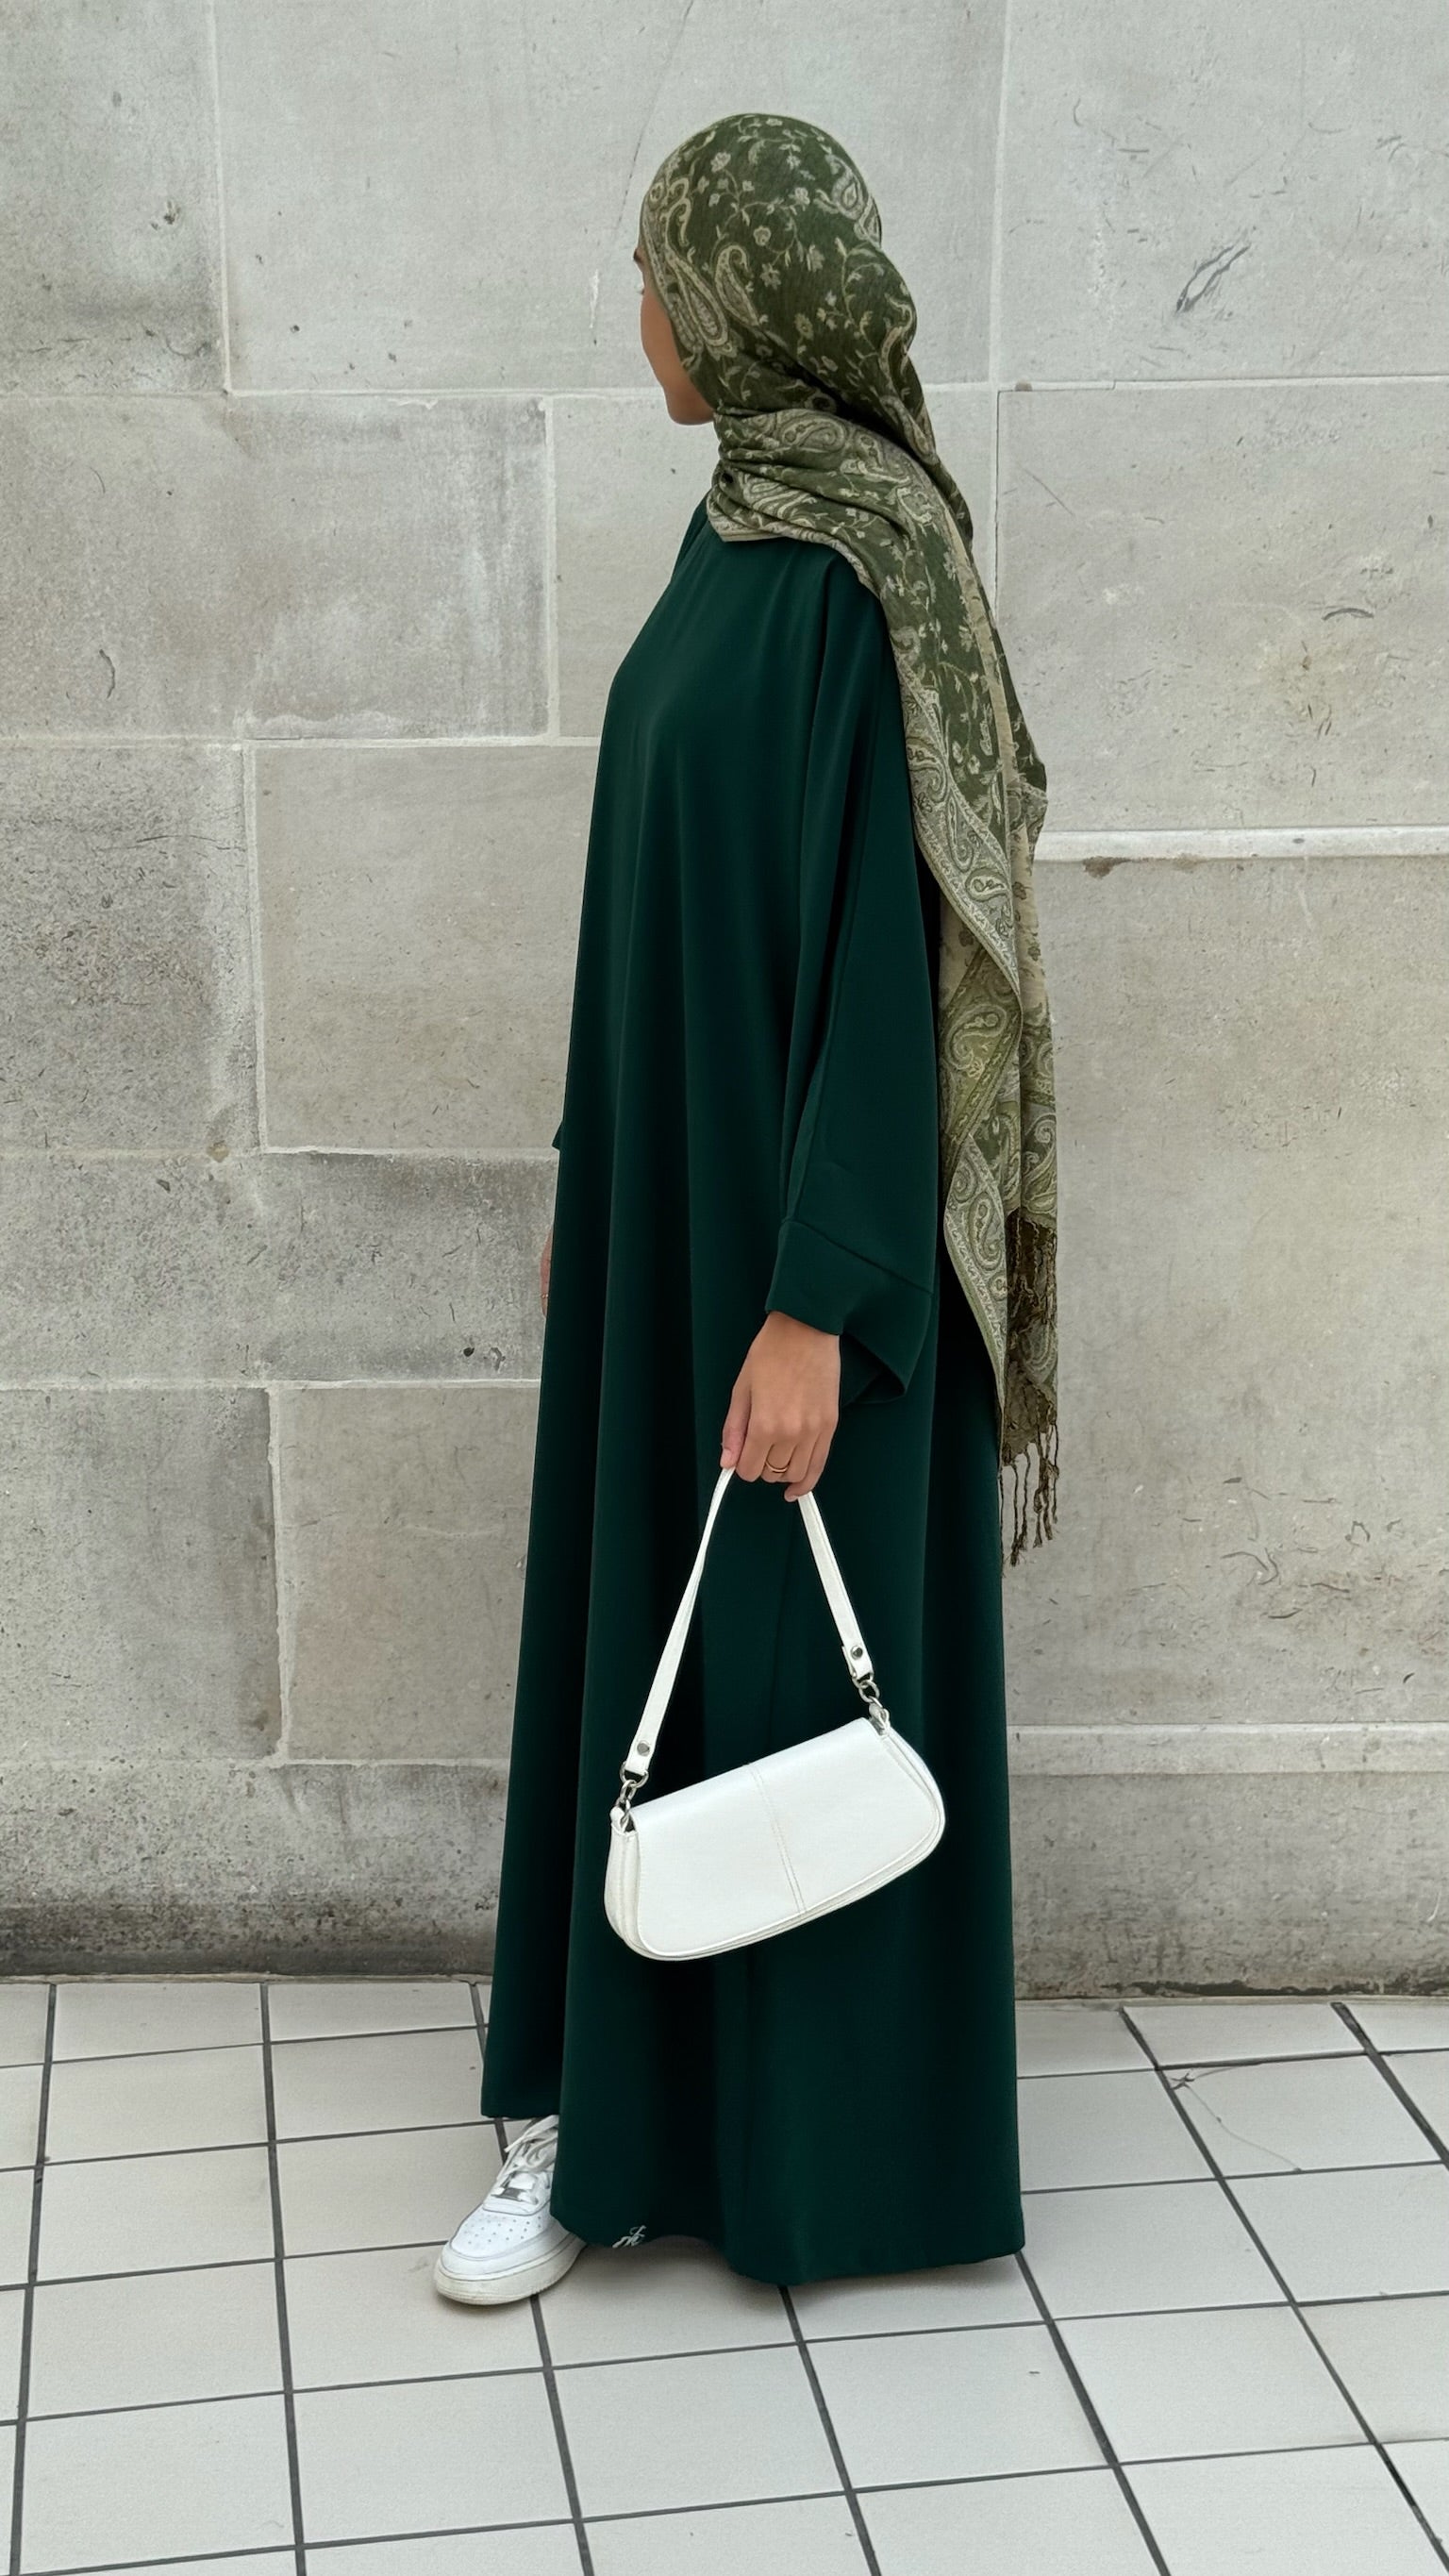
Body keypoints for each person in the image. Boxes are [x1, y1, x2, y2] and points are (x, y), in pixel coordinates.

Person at [434, 110, 1058, 2306]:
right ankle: (603, 2135)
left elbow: (897, 976)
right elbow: (661, 907)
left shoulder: (869, 569)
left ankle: (812, 2174)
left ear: (738, 300)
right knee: (666, 1680)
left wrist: (820, 1302)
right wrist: (592, 1188)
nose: (642, 318)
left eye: (660, 278)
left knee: (795, 1694)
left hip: (810, 1263)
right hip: (678, 1226)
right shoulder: (735, 529)